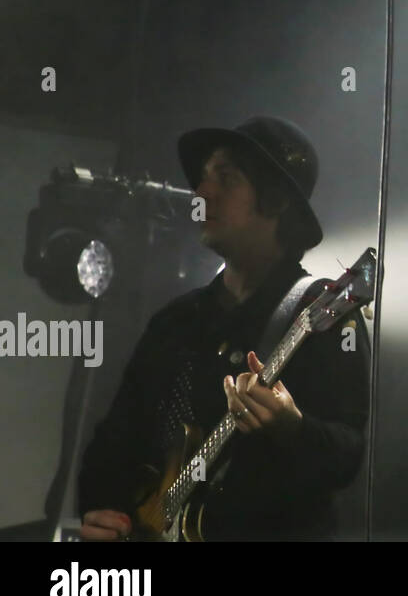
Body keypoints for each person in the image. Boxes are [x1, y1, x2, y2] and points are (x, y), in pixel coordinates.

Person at [77, 116, 370, 541]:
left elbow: (348, 456)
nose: (201, 193)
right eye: (204, 178)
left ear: (276, 200)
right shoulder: (174, 323)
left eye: (226, 179)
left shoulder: (323, 311)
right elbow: (112, 444)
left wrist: (293, 429)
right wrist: (101, 511)